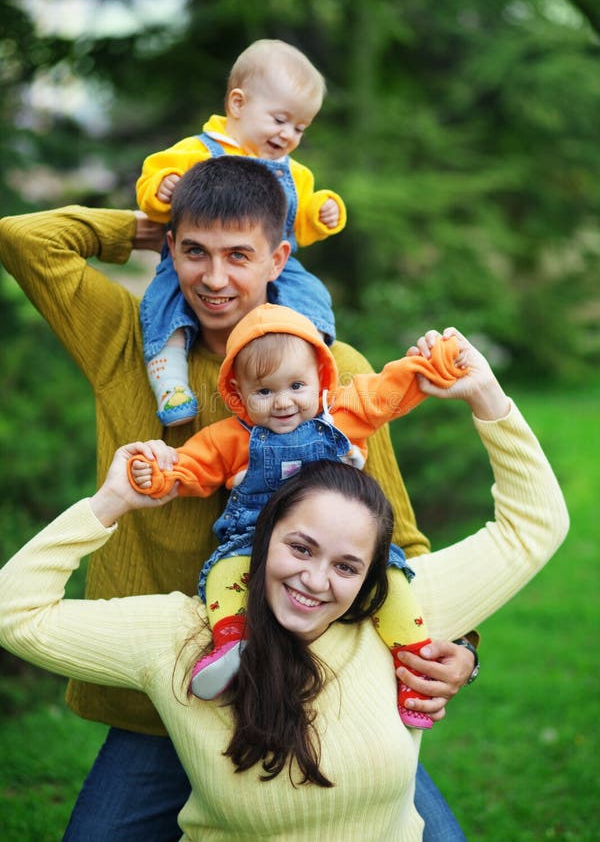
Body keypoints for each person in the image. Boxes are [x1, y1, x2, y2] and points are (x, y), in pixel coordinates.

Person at [0, 157, 476, 841]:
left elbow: (395, 533)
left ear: (280, 254)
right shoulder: (127, 339)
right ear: (172, 248)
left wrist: (457, 645)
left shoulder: (331, 374)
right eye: (194, 251)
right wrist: (151, 224)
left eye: (238, 253)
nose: (214, 278)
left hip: (323, 677)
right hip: (174, 680)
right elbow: (24, 238)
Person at [0, 329, 569, 841]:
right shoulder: (175, 640)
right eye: (300, 547)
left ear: (373, 569)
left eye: (348, 565)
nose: (315, 581)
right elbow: (14, 614)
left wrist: (487, 396)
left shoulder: (392, 600)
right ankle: (236, 641)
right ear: (263, 533)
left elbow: (536, 525)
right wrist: (110, 503)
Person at [129, 303, 468, 729]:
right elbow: (192, 466)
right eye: (265, 392)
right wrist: (159, 473)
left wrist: (430, 364)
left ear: (321, 381)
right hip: (254, 538)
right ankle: (232, 645)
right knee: (225, 573)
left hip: (338, 541)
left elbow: (388, 391)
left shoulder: (338, 417)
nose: (283, 403)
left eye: (295, 386)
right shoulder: (234, 438)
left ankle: (415, 664)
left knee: (390, 580)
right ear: (239, 396)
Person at [136, 39, 347, 426]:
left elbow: (299, 224)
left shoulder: (294, 173)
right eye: (280, 120)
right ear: (237, 104)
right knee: (162, 301)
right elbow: (153, 182)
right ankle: (170, 377)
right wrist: (162, 187)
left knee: (311, 294)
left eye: (300, 128)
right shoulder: (195, 151)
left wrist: (321, 213)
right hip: (183, 263)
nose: (288, 135)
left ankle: (306, 361)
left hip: (278, 264)